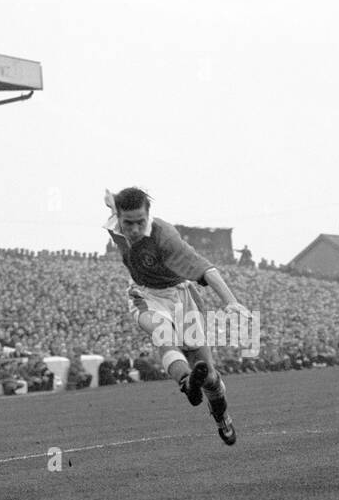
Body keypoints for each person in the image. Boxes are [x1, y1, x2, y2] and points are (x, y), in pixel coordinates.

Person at [104, 186, 248, 445]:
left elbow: (206, 270)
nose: (134, 230)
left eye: (140, 223)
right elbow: (114, 207)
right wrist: (111, 201)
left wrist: (231, 301)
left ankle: (221, 415)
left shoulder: (165, 237)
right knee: (162, 332)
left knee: (212, 378)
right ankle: (186, 382)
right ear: (120, 219)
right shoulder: (116, 224)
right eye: (128, 223)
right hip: (146, 296)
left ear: (149, 216)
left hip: (182, 298)